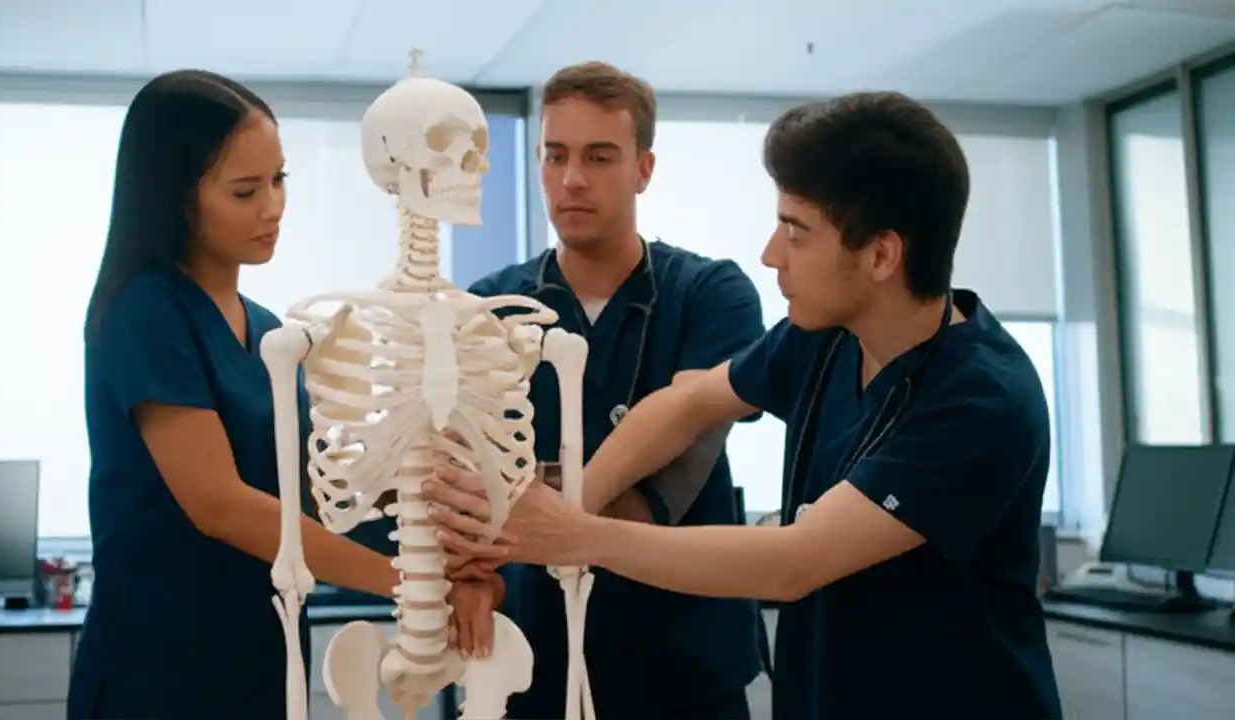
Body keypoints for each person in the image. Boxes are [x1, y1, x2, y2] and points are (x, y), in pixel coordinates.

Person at [428, 91, 1063, 719]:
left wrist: (577, 534)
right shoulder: (822, 338)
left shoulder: (982, 403)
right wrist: (577, 500)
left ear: (880, 254)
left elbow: (793, 562)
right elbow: (685, 404)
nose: (770, 254)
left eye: (796, 232)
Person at [68, 69, 498, 720]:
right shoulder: (146, 314)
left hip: (262, 654)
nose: (272, 207)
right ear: (175, 197)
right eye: (245, 190)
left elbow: (311, 491)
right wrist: (409, 585)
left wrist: (445, 542)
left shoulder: (268, 330)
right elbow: (221, 505)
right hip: (161, 668)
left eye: (279, 180)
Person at [459, 61, 768, 719]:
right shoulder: (491, 306)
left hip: (684, 661)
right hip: (535, 656)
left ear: (643, 169)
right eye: (555, 156)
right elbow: (468, 470)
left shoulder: (710, 293)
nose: (572, 179)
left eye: (600, 156)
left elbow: (690, 434)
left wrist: (562, 516)